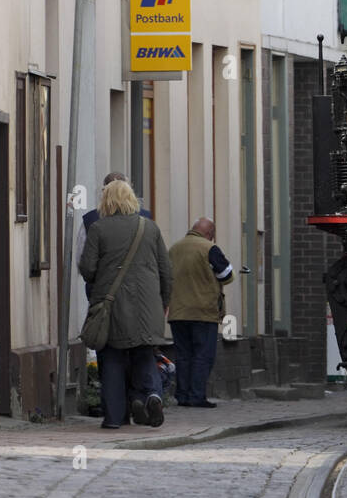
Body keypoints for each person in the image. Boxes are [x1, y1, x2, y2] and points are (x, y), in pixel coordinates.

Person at [79, 179, 173, 429]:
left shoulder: (98, 229)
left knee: (111, 360)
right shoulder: (150, 228)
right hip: (148, 306)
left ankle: (114, 419)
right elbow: (166, 270)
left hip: (111, 307)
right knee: (144, 355)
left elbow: (87, 270)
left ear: (106, 201)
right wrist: (164, 302)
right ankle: (152, 395)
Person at [168, 217, 235, 408]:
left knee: (183, 355)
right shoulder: (209, 248)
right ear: (210, 234)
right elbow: (227, 275)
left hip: (178, 312)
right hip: (202, 312)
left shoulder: (174, 248)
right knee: (202, 355)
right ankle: (196, 396)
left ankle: (182, 395)